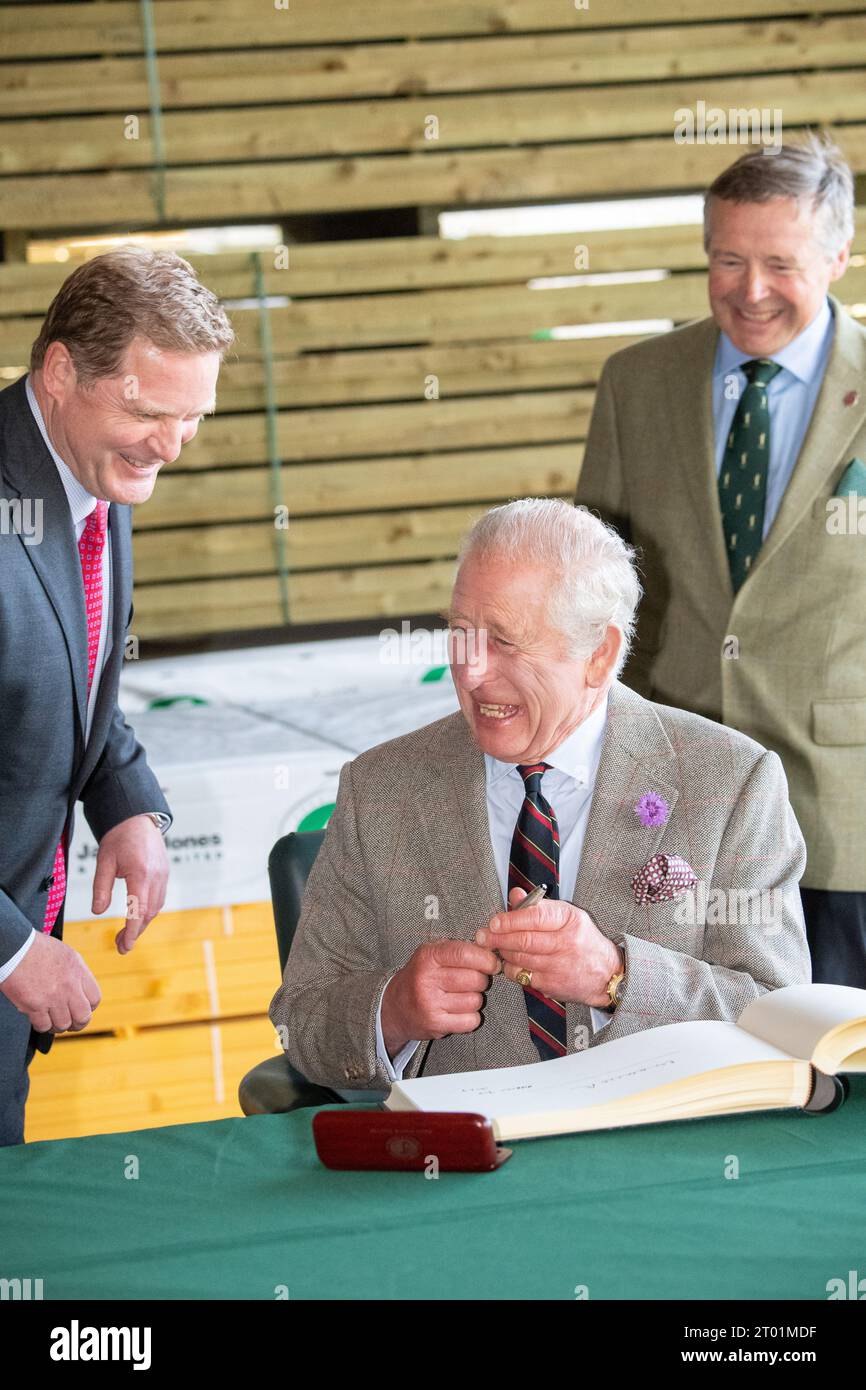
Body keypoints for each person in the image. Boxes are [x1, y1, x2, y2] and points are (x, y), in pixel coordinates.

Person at [270, 499, 809, 1091]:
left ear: (597, 654)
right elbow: (301, 1021)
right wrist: (391, 1011)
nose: (470, 671)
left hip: (661, 1157)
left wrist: (618, 977)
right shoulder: (382, 788)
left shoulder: (731, 780)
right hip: (460, 1163)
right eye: (459, 633)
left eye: (503, 641)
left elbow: (779, 1020)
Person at [576, 134, 866, 988]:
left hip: (845, 813)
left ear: (840, 255)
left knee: (848, 1070)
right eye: (727, 260)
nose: (751, 290)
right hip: (676, 805)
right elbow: (593, 585)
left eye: (779, 262)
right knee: (704, 1060)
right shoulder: (637, 380)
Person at [0, 245, 235, 1145]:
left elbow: (67, 667)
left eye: (192, 418)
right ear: (61, 371)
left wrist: (123, 798)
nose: (169, 447)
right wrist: (15, 950)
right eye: (147, 411)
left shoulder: (93, 465)